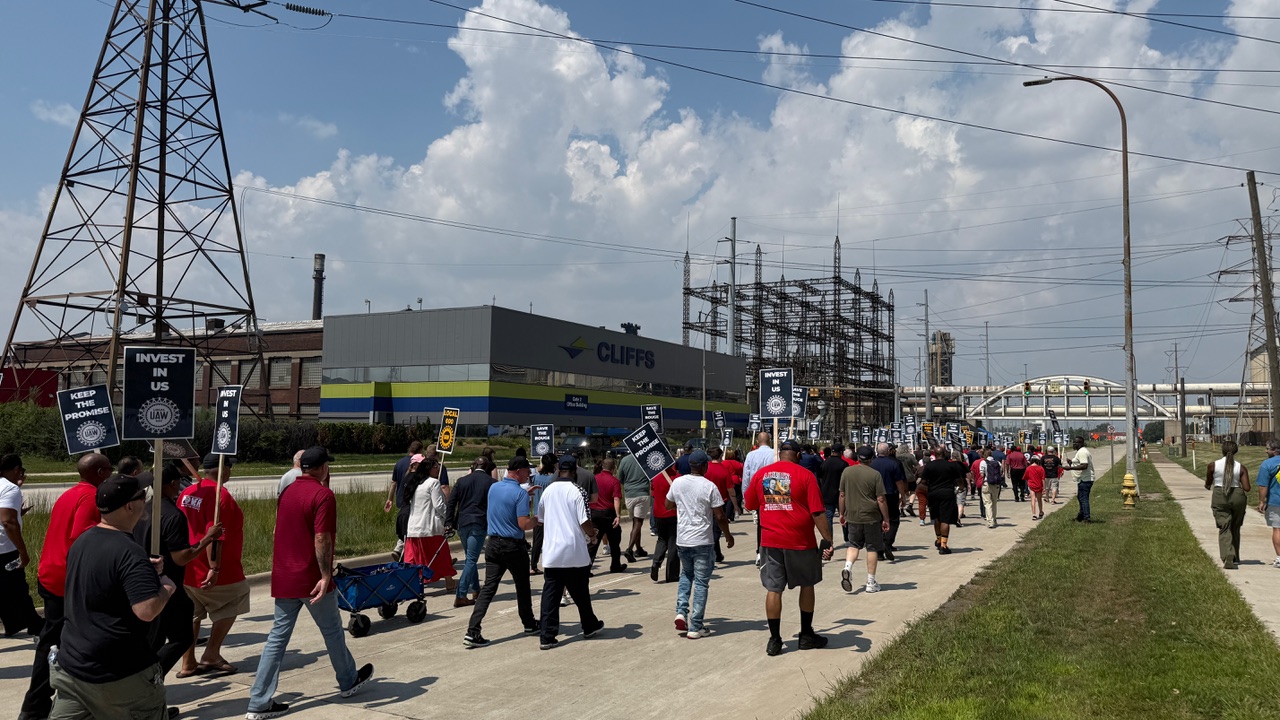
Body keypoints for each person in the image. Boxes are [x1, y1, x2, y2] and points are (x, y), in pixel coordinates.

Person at [247, 447, 373, 719]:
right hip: (312, 577)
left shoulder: (287, 493)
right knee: (332, 631)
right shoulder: (323, 495)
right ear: (322, 467)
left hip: (285, 576)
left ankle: (258, 701)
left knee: (277, 639)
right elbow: (321, 538)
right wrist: (326, 574)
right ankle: (348, 679)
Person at [49, 474, 176, 720]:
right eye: (143, 496)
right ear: (130, 506)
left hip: (72, 666)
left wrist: (142, 575)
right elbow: (146, 610)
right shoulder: (130, 551)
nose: (146, 501)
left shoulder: (84, 540)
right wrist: (166, 588)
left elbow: (102, 578)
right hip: (119, 675)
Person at [20, 453, 113, 720]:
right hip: (66, 579)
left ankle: (45, 702)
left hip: (51, 572)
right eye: (109, 469)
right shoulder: (90, 497)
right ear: (99, 473)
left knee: (57, 638)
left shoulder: (70, 493)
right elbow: (82, 534)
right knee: (56, 640)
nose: (111, 473)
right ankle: (36, 705)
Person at [745, 439, 834, 657]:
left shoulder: (762, 475)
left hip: (770, 541)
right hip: (800, 541)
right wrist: (828, 539)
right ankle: (805, 634)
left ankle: (774, 639)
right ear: (798, 455)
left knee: (774, 589)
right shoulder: (805, 476)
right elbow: (817, 512)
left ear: (779, 454)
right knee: (807, 584)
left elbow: (750, 504)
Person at [132, 465, 223, 678]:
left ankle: (145, 677)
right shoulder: (174, 515)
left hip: (143, 581)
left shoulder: (142, 509)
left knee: (153, 638)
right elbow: (181, 557)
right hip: (167, 585)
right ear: (173, 483)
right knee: (182, 636)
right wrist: (207, 538)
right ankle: (150, 677)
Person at [177, 454, 249, 678]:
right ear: (223, 469)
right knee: (236, 598)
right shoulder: (221, 497)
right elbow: (216, 536)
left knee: (193, 615)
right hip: (216, 567)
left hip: (188, 564)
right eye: (229, 467)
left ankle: (188, 662)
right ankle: (212, 653)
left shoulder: (188, 491)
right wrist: (214, 567)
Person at [462, 457, 541, 647]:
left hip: (493, 544)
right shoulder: (519, 494)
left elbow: (504, 505)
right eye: (527, 471)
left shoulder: (494, 488)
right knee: (522, 586)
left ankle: (473, 630)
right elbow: (523, 524)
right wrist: (536, 520)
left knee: (488, 588)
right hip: (513, 546)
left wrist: (524, 495)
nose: (530, 474)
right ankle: (529, 623)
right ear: (518, 471)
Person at [536, 456, 605, 650]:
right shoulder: (577, 491)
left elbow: (541, 519)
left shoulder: (548, 491)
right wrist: (592, 534)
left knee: (551, 595)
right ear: (575, 471)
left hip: (552, 552)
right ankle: (589, 626)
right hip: (574, 551)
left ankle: (547, 636)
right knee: (581, 592)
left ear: (559, 471)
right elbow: (584, 520)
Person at [667, 450, 732, 639]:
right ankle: (695, 626)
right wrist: (728, 535)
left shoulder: (678, 483)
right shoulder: (709, 486)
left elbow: (668, 504)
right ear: (704, 467)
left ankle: (681, 611)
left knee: (686, 575)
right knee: (702, 583)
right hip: (702, 540)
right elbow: (719, 515)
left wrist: (682, 502)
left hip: (683, 539)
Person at [402, 456, 458, 595]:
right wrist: (449, 518)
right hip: (430, 528)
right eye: (435, 466)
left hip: (414, 528)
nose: (438, 469)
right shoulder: (433, 483)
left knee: (414, 559)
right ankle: (449, 582)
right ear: (428, 468)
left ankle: (411, 585)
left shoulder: (415, 483)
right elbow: (439, 505)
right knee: (442, 556)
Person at [838, 445, 890, 594]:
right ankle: (870, 582)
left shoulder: (847, 472)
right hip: (871, 515)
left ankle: (847, 567)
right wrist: (885, 518)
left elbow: (842, 495)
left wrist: (842, 513)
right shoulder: (875, 474)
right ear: (871, 459)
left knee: (853, 544)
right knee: (872, 547)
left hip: (852, 514)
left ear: (857, 457)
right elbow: (880, 499)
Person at [0, 454, 42, 638]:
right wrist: (22, 551)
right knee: (18, 587)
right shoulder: (10, 489)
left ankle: (14, 623)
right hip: (5, 549)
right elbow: (8, 522)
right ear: (16, 469)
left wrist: (18, 513)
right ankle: (33, 623)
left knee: (7, 589)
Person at [447, 457, 496, 607]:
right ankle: (461, 594)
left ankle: (476, 589)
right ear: (487, 468)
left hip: (462, 523)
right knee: (471, 559)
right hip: (478, 523)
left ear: (473, 465)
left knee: (470, 557)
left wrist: (448, 522)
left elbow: (451, 502)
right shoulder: (491, 483)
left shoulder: (462, 481)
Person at [1206, 440, 1251, 569]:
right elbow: (1247, 488)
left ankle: (1228, 555)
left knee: (1225, 527)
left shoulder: (1213, 465)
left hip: (1220, 494)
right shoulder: (1241, 467)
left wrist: (1208, 484)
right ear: (1236, 451)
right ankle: (1235, 555)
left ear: (1222, 450)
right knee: (1235, 527)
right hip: (1237, 496)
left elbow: (1208, 482)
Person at [920, 447, 964, 554]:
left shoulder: (929, 465)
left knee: (936, 518)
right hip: (947, 493)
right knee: (945, 519)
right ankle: (944, 545)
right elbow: (959, 480)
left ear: (935, 454)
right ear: (944, 454)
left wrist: (929, 490)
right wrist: (961, 487)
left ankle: (939, 540)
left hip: (933, 494)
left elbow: (923, 481)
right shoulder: (951, 465)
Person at [587, 457, 627, 573]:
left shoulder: (594, 478)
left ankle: (587, 568)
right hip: (608, 513)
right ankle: (615, 565)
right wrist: (618, 515)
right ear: (614, 468)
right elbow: (616, 499)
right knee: (614, 541)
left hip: (594, 513)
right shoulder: (614, 481)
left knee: (593, 542)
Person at [870, 443, 906, 560]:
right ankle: (887, 542)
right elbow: (899, 481)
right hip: (890, 495)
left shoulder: (872, 463)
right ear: (888, 451)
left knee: (878, 521)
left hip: (875, 495)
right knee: (893, 520)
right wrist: (903, 496)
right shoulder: (894, 463)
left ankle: (880, 551)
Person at [617, 451, 651, 563]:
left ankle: (639, 548)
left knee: (636, 522)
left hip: (629, 495)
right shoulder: (646, 459)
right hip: (642, 493)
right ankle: (630, 549)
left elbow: (620, 478)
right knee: (638, 523)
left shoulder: (624, 460)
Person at [650, 463, 680, 583]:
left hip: (658, 513)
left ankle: (656, 562)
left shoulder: (655, 478)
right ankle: (671, 574)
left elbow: (653, 494)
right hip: (672, 513)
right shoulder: (677, 478)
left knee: (662, 539)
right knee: (673, 542)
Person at [529, 453, 558, 574]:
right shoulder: (553, 479)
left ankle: (533, 565)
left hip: (537, 513)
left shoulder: (536, 477)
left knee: (537, 541)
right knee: (552, 541)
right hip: (551, 514)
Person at [1255, 440, 1280, 569]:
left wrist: (1261, 501)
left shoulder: (1267, 465)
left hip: (1276, 501)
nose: (1266, 451)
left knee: (1277, 529)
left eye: (1268, 449)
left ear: (1274, 450)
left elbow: (1263, 486)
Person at [818, 444, 848, 545]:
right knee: (844, 516)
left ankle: (829, 539)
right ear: (841, 452)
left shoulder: (825, 463)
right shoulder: (843, 464)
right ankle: (847, 538)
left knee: (829, 518)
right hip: (841, 493)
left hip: (826, 493)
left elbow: (820, 477)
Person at [1063, 436, 1097, 523]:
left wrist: (1070, 468)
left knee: (1084, 498)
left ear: (1081, 443)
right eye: (1073, 442)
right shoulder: (1080, 452)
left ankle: (1087, 518)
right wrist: (1072, 462)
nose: (1074, 444)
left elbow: (1084, 465)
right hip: (1082, 479)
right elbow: (1080, 462)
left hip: (1086, 479)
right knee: (1080, 497)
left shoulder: (1082, 452)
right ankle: (1081, 515)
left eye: (1076, 443)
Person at [979, 449, 1005, 528]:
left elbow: (982, 475)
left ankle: (990, 521)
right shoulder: (998, 463)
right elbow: (1001, 472)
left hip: (986, 484)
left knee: (987, 503)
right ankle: (994, 519)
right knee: (994, 503)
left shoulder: (983, 462)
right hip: (996, 485)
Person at [1025, 456, 1047, 521]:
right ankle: (1040, 511)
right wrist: (1044, 488)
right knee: (1039, 499)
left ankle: (1034, 514)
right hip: (1039, 485)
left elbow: (1026, 477)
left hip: (1031, 485)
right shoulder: (1041, 468)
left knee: (1033, 499)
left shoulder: (1028, 468)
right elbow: (1043, 479)